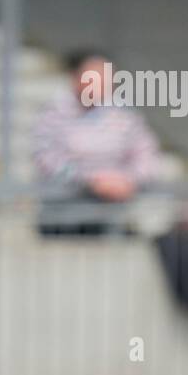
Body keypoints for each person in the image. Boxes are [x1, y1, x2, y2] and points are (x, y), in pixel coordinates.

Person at [32, 50, 161, 236]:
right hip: (62, 216)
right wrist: (91, 180)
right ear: (75, 78)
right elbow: (46, 158)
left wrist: (127, 180)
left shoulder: (125, 115)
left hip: (112, 213)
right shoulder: (53, 112)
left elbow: (146, 154)